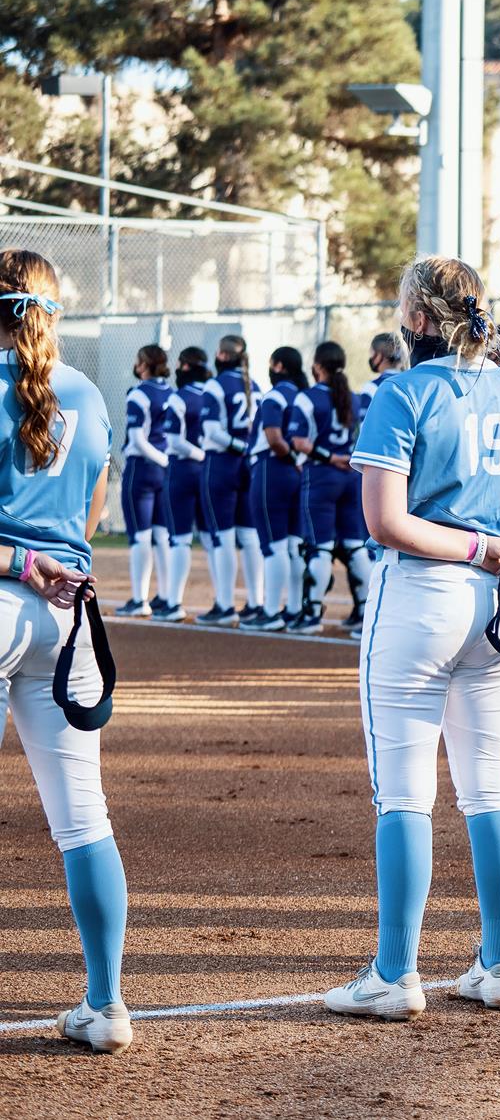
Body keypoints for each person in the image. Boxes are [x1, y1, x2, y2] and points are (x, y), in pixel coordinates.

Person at [324, 254, 500, 1020]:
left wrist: (475, 545)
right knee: (489, 784)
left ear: (418, 318)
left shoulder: (402, 391)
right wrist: (487, 548)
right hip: (498, 603)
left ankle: (395, 974)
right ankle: (499, 963)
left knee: (406, 794)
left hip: (425, 592)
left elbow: (386, 522)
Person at [0, 249, 129, 1052]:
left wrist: (20, 562)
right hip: (68, 618)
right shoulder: (85, 392)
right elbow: (92, 512)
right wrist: (50, 566)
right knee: (84, 823)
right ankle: (106, 1005)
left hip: (10, 597)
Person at [287, 342, 374, 634]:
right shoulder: (354, 397)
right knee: (354, 545)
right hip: (351, 476)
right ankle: (365, 611)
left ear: (318, 366)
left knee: (319, 546)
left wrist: (329, 456)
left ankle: (311, 614)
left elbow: (299, 442)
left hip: (322, 475)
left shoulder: (308, 398)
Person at [195, 335, 263, 627]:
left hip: (222, 465)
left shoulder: (214, 385)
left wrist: (239, 447)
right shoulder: (256, 385)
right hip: (249, 467)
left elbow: (212, 433)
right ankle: (257, 602)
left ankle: (224, 604)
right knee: (249, 536)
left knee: (222, 536)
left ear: (222, 355)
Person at [243, 347, 309, 631]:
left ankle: (271, 610)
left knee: (273, 545)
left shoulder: (275, 395)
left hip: (272, 469)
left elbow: (274, 438)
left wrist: (292, 458)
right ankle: (293, 608)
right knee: (293, 545)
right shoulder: (304, 396)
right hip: (298, 472)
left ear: (279, 366)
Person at [114, 344, 173, 617]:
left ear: (144, 364)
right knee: (162, 534)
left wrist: (160, 460)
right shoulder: (172, 393)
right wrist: (167, 462)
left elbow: (138, 439)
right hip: (165, 469)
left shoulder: (139, 393)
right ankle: (166, 596)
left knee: (140, 535)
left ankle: (140, 599)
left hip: (143, 467)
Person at [157, 346, 212, 622]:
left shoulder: (180, 397)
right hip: (210, 470)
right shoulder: (213, 392)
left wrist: (199, 455)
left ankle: (174, 602)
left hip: (183, 469)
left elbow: (175, 441)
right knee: (215, 539)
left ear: (186, 366)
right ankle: (224, 603)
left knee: (179, 539)